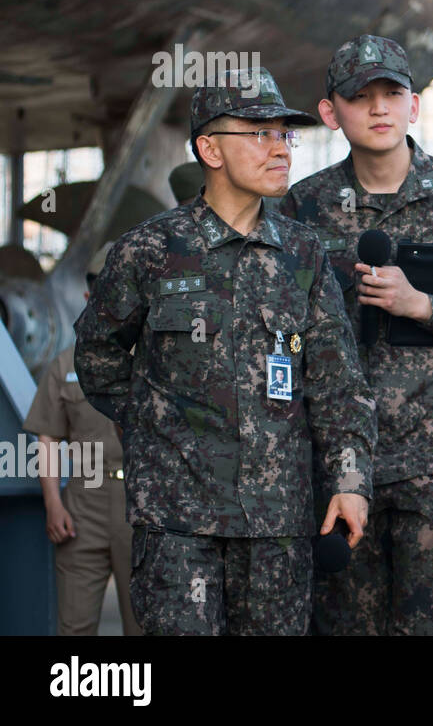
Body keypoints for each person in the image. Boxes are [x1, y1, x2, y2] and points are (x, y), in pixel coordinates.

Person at [74, 67, 376, 636]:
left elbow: (339, 386)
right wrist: (158, 430)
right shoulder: (148, 251)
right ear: (209, 148)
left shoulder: (304, 256)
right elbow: (98, 356)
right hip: (176, 526)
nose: (281, 149)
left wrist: (350, 482)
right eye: (259, 134)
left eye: (286, 135)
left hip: (278, 528)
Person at [280, 38, 433, 636]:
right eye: (359, 97)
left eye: (392, 94)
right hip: (342, 469)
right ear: (329, 112)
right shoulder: (302, 208)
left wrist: (424, 306)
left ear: (414, 106)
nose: (378, 109)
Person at [24, 243, 140, 636]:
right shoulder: (65, 363)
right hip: (82, 508)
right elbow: (48, 437)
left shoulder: (157, 361)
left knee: (145, 624)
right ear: (89, 296)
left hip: (140, 507)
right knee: (73, 626)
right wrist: (53, 503)